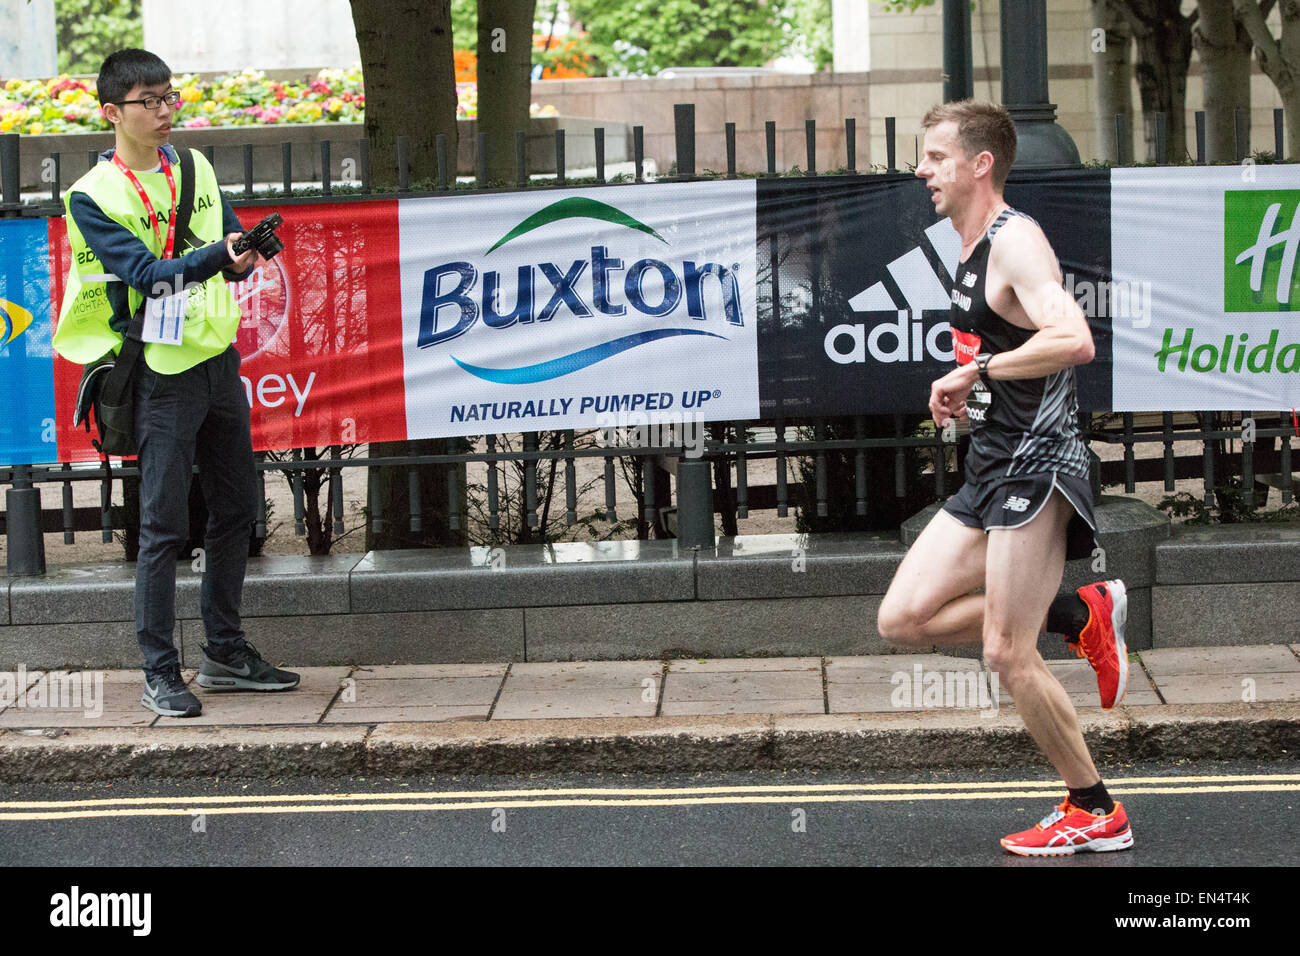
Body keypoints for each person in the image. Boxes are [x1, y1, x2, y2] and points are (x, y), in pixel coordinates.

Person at [876, 101, 1132, 856]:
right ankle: (1075, 615)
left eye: (937, 158)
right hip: (991, 465)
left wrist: (978, 368)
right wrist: (974, 389)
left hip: (1038, 466)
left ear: (980, 165)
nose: (924, 171)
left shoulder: (1015, 241)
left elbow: (1074, 339)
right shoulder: (968, 247)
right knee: (904, 619)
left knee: (1003, 652)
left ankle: (1095, 809)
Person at [52, 49, 299, 717]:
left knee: (237, 511)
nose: (166, 111)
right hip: (158, 371)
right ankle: (160, 671)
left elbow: (221, 253)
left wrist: (242, 257)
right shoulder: (90, 195)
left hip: (216, 358)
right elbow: (146, 276)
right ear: (112, 112)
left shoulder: (195, 167)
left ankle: (224, 653)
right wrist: (219, 255)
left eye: (171, 98)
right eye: (149, 101)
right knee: (163, 526)